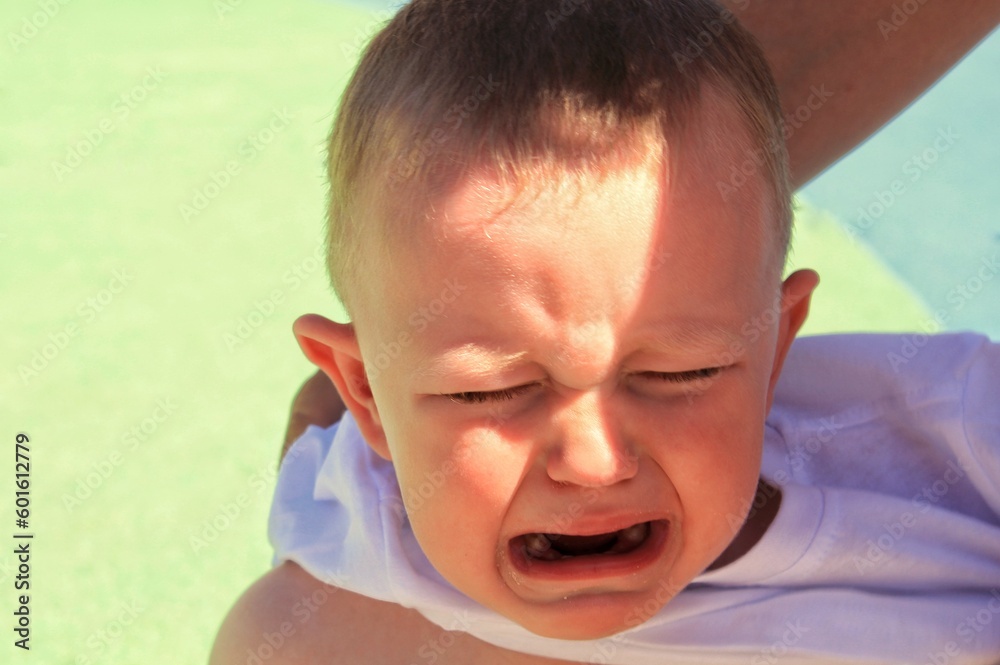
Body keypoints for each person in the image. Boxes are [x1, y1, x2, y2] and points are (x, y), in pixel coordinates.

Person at [211, 1, 1000, 663]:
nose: (595, 462)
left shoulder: (961, 443)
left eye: (684, 372)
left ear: (775, 347)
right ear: (366, 392)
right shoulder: (316, 601)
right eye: (492, 389)